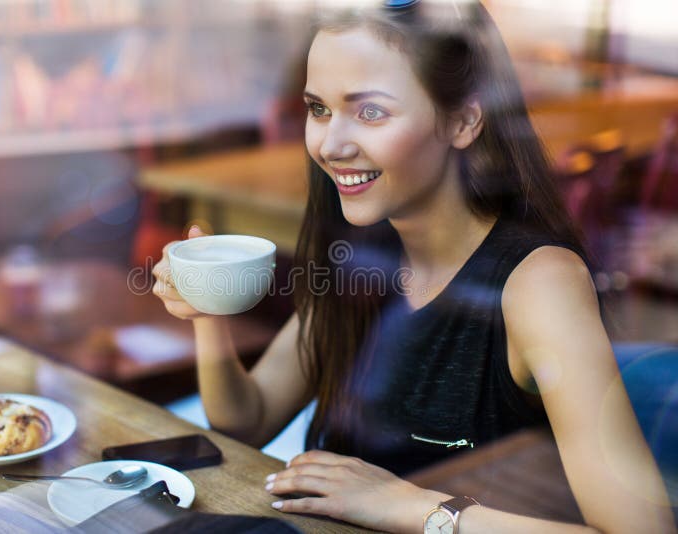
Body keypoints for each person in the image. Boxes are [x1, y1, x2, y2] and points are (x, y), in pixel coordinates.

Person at [152, 1, 675, 532]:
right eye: (318, 108)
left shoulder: (539, 283)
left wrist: (410, 505)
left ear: (463, 120)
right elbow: (249, 421)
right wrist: (207, 312)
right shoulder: (363, 253)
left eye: (370, 112)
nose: (330, 145)